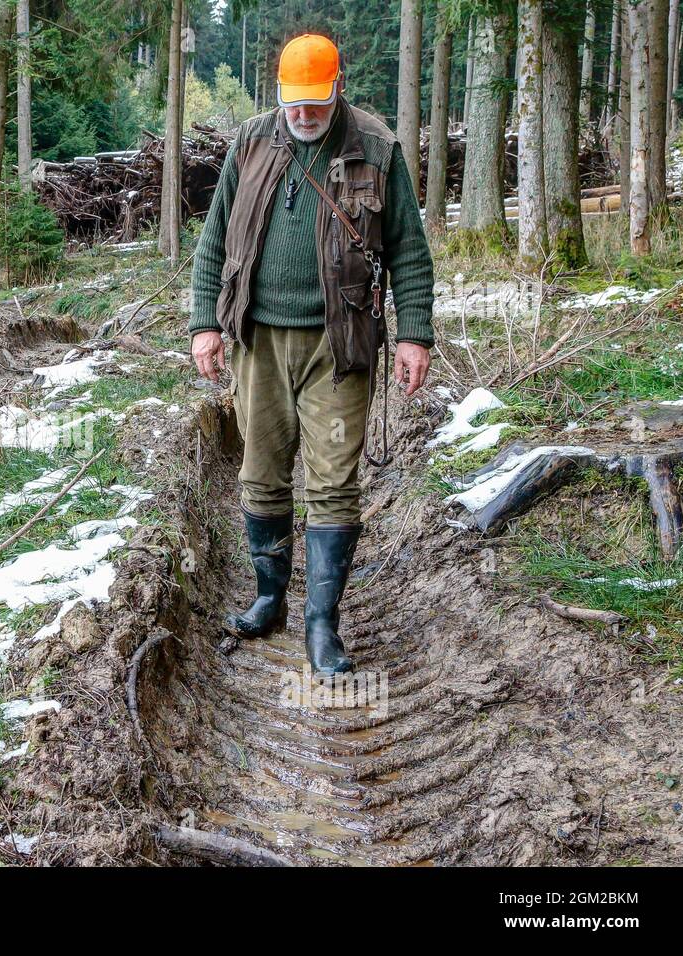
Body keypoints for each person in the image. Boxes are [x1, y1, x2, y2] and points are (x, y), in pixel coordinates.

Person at [188, 33, 435, 675]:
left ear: (337, 88)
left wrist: (415, 334)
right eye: (292, 103)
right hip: (258, 339)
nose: (302, 115)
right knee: (261, 470)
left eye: (314, 102)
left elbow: (408, 247)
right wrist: (202, 325)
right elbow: (214, 241)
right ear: (279, 94)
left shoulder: (376, 148)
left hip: (340, 342)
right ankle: (269, 597)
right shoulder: (250, 142)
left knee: (332, 482)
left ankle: (322, 625)